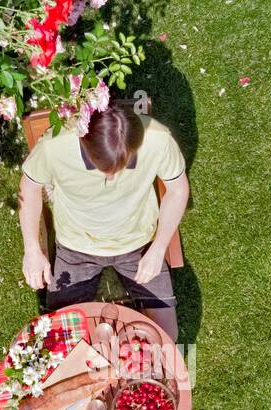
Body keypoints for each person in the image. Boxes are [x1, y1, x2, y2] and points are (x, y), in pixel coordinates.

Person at [19, 101, 190, 340]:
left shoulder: (158, 139)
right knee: (60, 340)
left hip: (139, 243)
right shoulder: (54, 146)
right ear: (82, 141)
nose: (112, 178)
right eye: (103, 170)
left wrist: (159, 248)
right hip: (76, 246)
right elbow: (29, 189)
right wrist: (32, 249)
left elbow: (178, 191)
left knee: (165, 338)